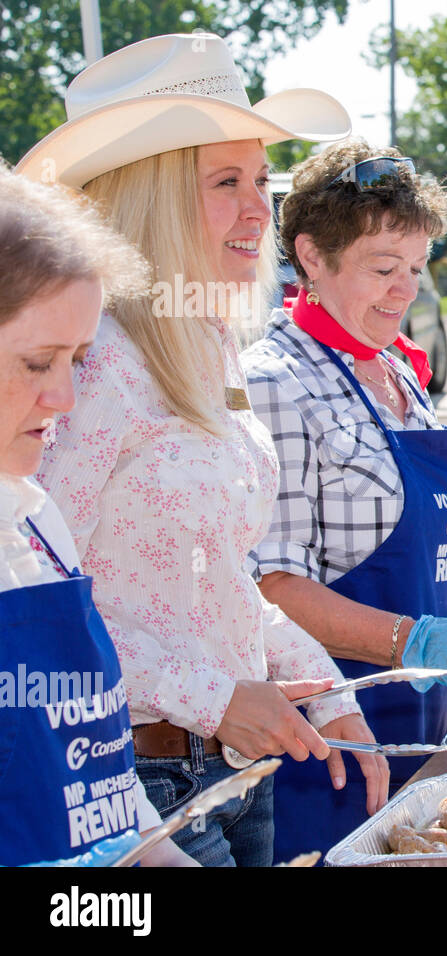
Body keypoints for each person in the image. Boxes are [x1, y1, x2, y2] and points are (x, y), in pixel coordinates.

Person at [18, 33, 382, 867]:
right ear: (148, 198)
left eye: (262, 180)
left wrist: (329, 692)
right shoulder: (91, 360)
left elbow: (221, 576)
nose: (263, 208)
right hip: (129, 784)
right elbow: (41, 609)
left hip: (229, 775)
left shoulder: (208, 342)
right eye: (227, 182)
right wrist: (216, 699)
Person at [241, 139, 447, 860]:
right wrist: (417, 640)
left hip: (427, 728)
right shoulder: (277, 383)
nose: (406, 292)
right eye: (383, 268)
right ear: (311, 255)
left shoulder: (397, 369)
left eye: (417, 270)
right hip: (335, 749)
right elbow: (271, 588)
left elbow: (425, 556)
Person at [0, 169, 196, 867]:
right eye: (36, 362)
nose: (65, 398)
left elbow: (103, 774)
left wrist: (155, 851)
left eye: (79, 361)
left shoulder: (37, 520)